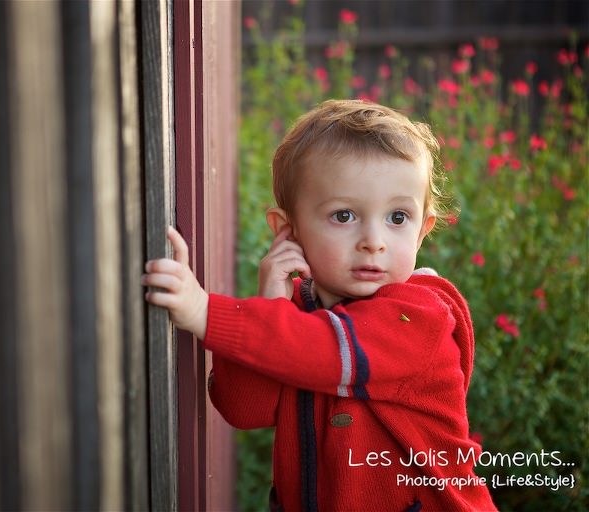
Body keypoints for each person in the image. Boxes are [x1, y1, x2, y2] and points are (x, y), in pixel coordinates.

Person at [143, 99, 497, 512]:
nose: (374, 240)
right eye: (344, 215)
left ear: (422, 232)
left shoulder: (419, 317)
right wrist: (272, 300)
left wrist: (206, 313)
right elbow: (246, 408)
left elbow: (325, 350)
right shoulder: (296, 319)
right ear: (288, 230)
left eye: (398, 217)